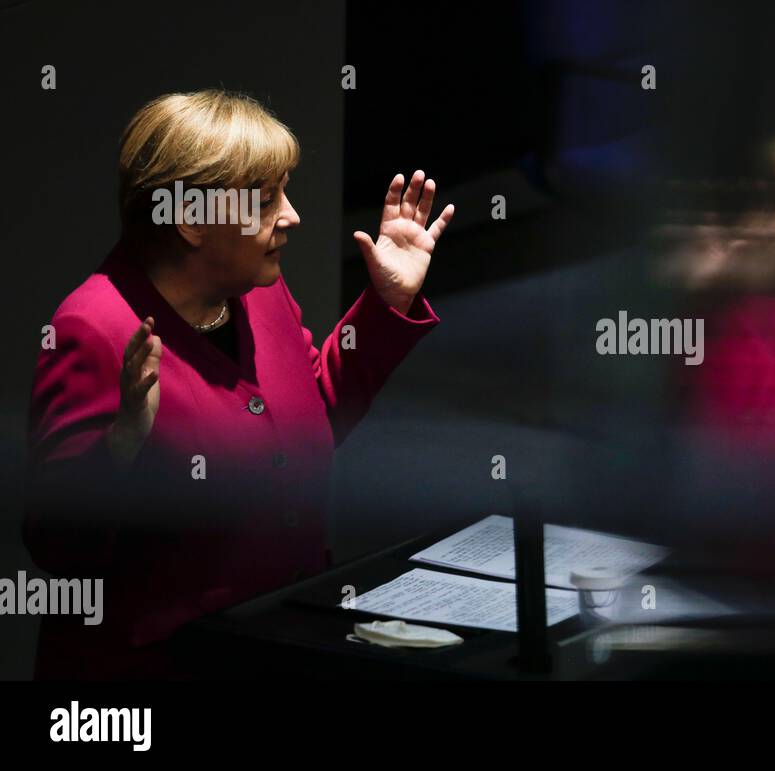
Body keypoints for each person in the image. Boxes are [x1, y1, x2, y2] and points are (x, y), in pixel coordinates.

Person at [24, 89, 455, 679]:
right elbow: (57, 548)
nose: (291, 216)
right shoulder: (93, 328)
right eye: (264, 199)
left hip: (278, 643)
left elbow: (313, 417)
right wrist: (122, 445)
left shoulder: (258, 289)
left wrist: (388, 302)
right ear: (190, 220)